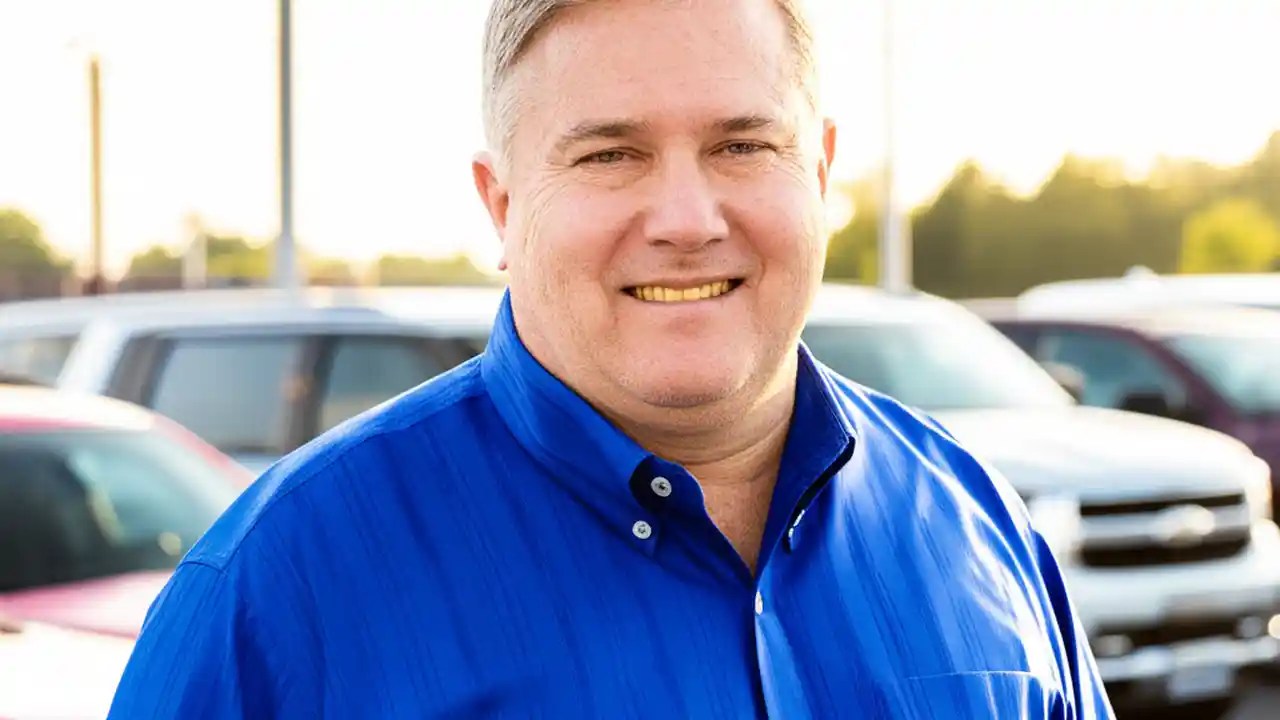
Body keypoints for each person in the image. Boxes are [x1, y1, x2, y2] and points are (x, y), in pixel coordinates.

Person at [109, 0, 1113, 717]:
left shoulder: (978, 524)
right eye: (609, 155)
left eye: (740, 147)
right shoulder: (282, 586)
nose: (686, 218)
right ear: (500, 206)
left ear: (817, 171)